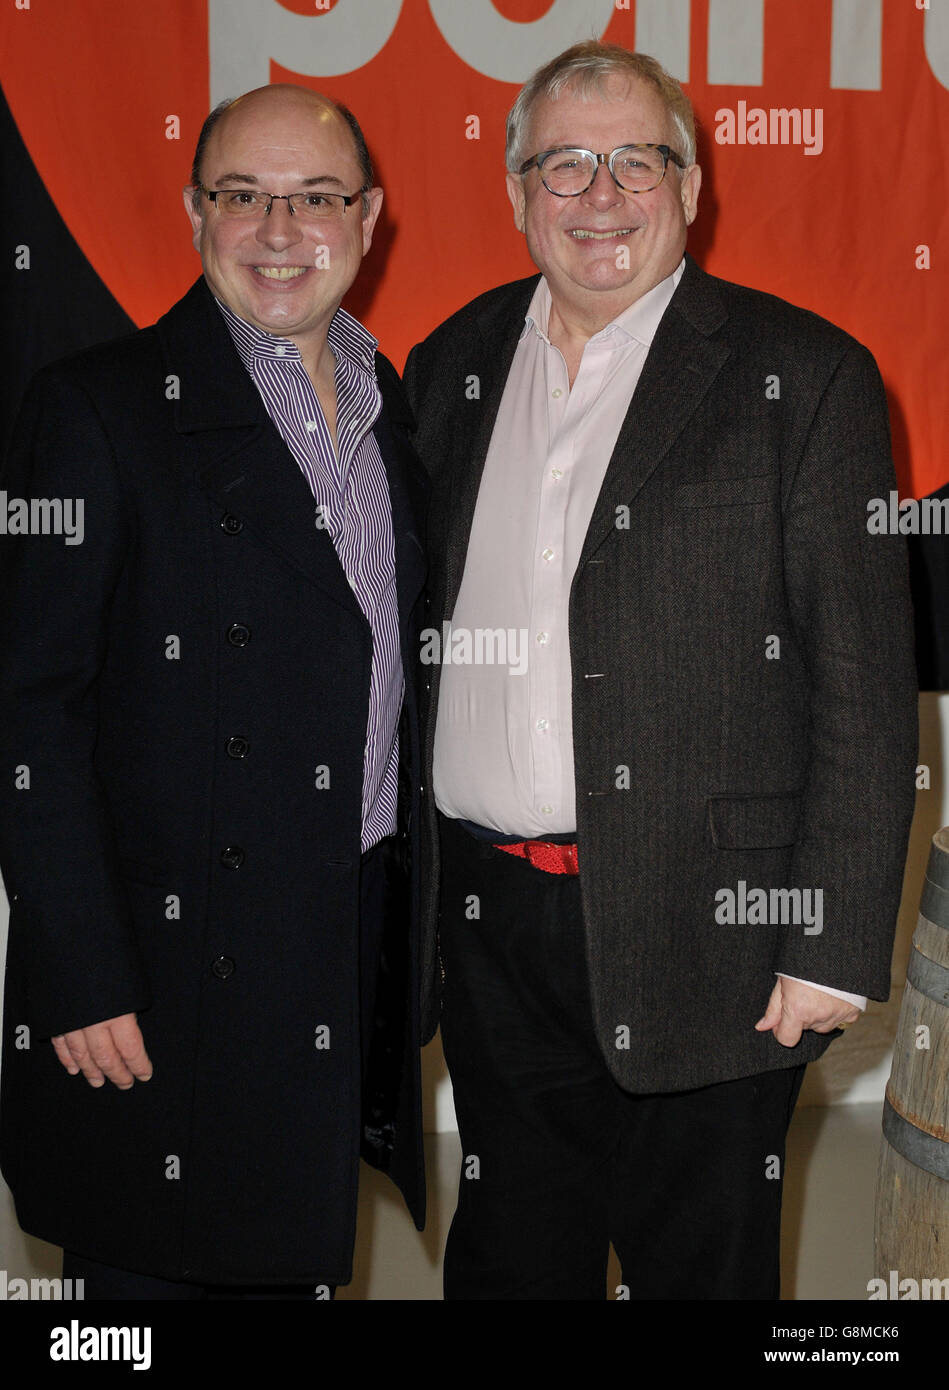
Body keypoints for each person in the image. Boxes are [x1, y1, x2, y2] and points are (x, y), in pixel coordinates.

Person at [404, 41, 917, 1300]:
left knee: (704, 1271)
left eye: (636, 160)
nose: (600, 195)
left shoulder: (809, 377)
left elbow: (864, 686)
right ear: (517, 192)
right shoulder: (446, 365)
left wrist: (830, 941)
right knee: (513, 1264)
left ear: (691, 187)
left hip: (717, 939)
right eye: (563, 165)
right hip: (491, 929)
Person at [0, 84, 428, 1299]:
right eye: (244, 195)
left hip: (333, 942)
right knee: (142, 1296)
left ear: (370, 215)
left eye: (315, 197)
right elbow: (32, 711)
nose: (278, 229)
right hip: (163, 970)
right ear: (197, 213)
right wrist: (77, 974)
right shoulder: (98, 407)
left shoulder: (394, 409)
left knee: (292, 1267)